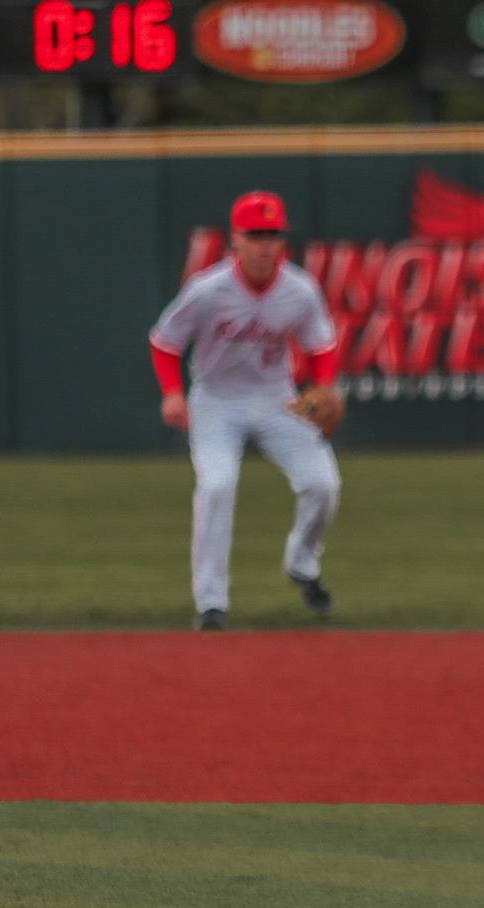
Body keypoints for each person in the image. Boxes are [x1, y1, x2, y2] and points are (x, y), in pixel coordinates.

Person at [149, 190, 343, 631]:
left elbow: (321, 344)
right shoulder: (208, 290)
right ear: (235, 239)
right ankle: (211, 604)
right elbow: (165, 341)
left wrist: (324, 385)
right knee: (216, 486)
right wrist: (172, 392)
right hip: (216, 400)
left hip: (279, 399)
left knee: (323, 483)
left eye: (272, 234)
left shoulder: (299, 290)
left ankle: (302, 562)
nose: (265, 244)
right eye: (255, 235)